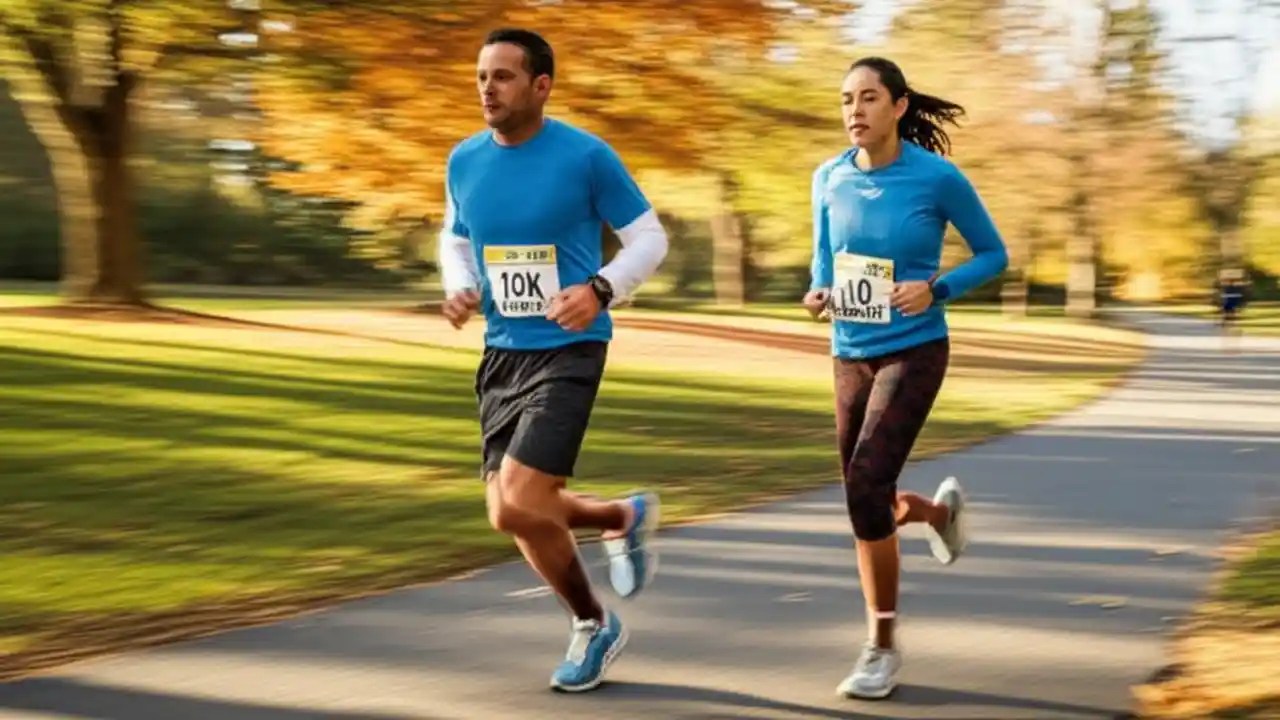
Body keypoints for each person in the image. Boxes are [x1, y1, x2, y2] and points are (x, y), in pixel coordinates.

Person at [436, 28, 669, 693]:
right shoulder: (465, 160)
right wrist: (457, 285)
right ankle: (604, 581)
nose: (487, 87)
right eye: (481, 75)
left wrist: (600, 290)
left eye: (503, 76)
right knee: (509, 512)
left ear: (541, 86)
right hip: (501, 353)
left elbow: (649, 239)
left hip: (570, 347)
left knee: (518, 505)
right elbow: (453, 236)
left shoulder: (586, 157)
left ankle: (599, 601)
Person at [802, 56, 1009, 700]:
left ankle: (881, 647)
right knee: (866, 494)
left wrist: (937, 289)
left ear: (898, 106)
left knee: (866, 480)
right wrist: (817, 292)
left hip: (914, 348)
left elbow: (994, 253)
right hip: (849, 349)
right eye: (845, 100)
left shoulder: (936, 177)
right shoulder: (827, 177)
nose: (853, 111)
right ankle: (937, 512)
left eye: (867, 98)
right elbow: (822, 256)